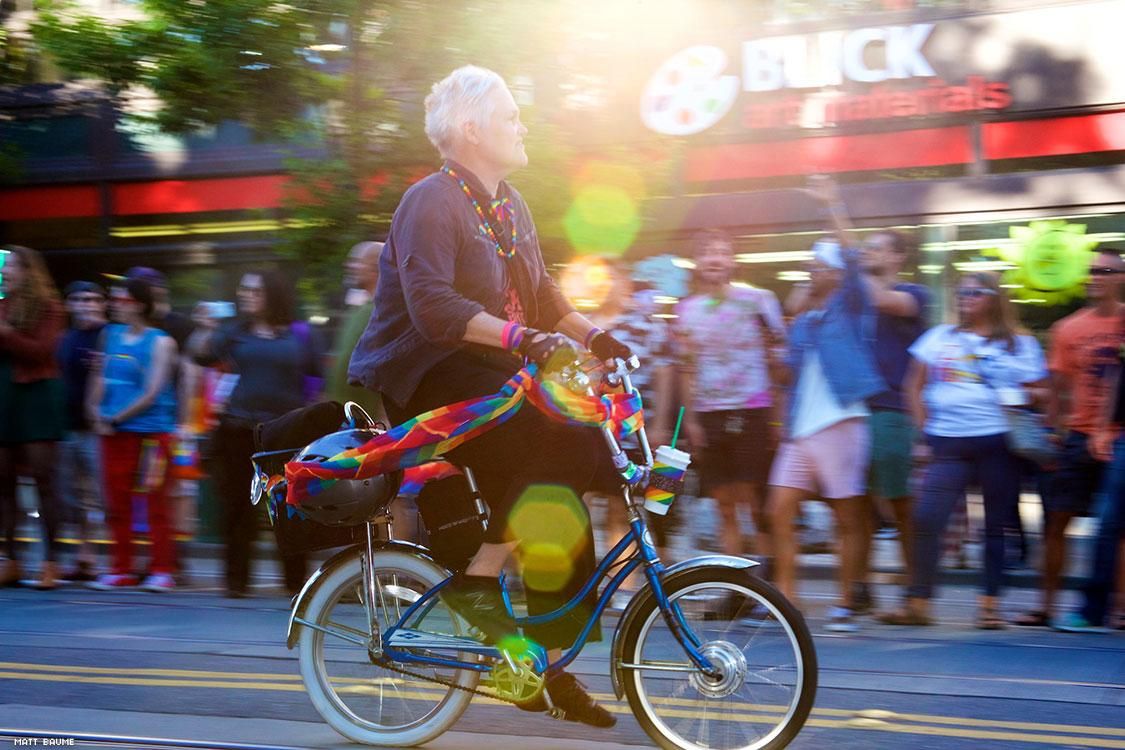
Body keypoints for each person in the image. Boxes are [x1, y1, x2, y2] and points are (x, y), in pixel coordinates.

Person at [348, 66, 633, 728]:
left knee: (563, 490)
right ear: (471, 130)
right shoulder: (430, 200)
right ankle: (478, 582)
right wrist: (526, 340)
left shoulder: (509, 204)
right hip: (428, 373)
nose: (522, 124)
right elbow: (433, 308)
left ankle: (545, 668)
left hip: (491, 370)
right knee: (568, 436)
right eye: (510, 115)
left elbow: (543, 293)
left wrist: (598, 338)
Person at [880, 272, 1048, 628]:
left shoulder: (1019, 342)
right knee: (926, 518)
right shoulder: (940, 337)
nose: (965, 298)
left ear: (994, 298)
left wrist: (1023, 395)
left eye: (974, 292)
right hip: (948, 442)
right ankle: (918, 603)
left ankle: (989, 606)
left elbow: (1042, 392)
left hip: (998, 442)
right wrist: (924, 431)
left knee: (995, 525)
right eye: (961, 293)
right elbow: (913, 384)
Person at [767, 177, 886, 633]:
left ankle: (845, 601)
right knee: (779, 507)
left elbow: (854, 259)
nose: (809, 272)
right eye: (808, 266)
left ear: (836, 275)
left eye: (817, 266)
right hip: (801, 430)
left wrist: (834, 203)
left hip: (842, 423)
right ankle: (787, 598)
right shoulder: (802, 323)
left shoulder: (852, 308)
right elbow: (788, 376)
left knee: (847, 515)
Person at [190, 270, 320, 598]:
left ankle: (296, 583)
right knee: (236, 508)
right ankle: (236, 582)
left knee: (290, 508)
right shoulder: (234, 333)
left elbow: (317, 379)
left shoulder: (300, 334)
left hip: (286, 434)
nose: (245, 295)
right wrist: (204, 330)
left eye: (254, 290)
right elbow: (200, 355)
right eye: (243, 289)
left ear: (272, 294)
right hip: (239, 430)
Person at [1012, 251, 1125, 626]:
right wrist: (1053, 433)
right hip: (1077, 435)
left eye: (1105, 271)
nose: (1095, 276)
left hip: (1120, 436)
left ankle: (1120, 609)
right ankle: (1046, 606)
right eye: (1091, 271)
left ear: (1121, 277)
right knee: (1055, 522)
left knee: (1117, 525)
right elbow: (1057, 389)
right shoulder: (1067, 329)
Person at [673, 229, 784, 570]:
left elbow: (778, 358)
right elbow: (686, 369)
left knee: (756, 502)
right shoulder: (686, 311)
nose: (715, 259)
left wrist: (779, 418)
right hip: (710, 414)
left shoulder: (760, 301)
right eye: (707, 253)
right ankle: (734, 586)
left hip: (753, 411)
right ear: (697, 263)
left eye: (722, 252)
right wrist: (691, 420)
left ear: (733, 261)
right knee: (724, 505)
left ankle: (768, 586)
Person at [854, 230, 931, 612]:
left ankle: (916, 596)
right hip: (856, 411)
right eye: (867, 247)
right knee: (861, 504)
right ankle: (861, 588)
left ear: (899, 256)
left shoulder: (916, 294)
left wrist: (858, 263)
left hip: (893, 411)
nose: (868, 253)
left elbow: (883, 298)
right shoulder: (860, 297)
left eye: (877, 248)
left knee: (900, 505)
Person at [86, 278, 179, 592]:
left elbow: (152, 391)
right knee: (116, 503)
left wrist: (113, 417)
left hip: (152, 434)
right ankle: (120, 567)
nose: (114, 304)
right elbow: (100, 375)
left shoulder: (161, 342)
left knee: (156, 502)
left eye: (121, 299)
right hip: (113, 433)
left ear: (139, 303)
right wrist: (94, 410)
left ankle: (162, 569)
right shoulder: (108, 335)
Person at [588, 262, 672, 606]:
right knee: (588, 505)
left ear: (624, 283)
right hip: (591, 433)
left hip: (636, 432)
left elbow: (666, 372)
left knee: (631, 508)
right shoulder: (582, 324)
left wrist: (660, 424)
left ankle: (637, 585)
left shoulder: (645, 324)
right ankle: (599, 584)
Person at [1055, 271, 1125, 633]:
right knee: (1109, 521)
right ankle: (1094, 608)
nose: (1096, 277)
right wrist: (1101, 427)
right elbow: (1118, 376)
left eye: (1106, 271)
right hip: (1116, 435)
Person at [0, 246, 67, 589]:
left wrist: (7, 333)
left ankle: (50, 562)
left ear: (28, 270)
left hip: (38, 396)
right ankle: (10, 560)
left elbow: (41, 351)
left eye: (10, 265)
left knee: (44, 481)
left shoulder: (50, 307)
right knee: (4, 483)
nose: (5, 271)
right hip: (6, 398)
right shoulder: (3, 305)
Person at [56, 280, 109, 582]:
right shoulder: (64, 338)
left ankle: (118, 563)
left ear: (102, 303)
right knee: (73, 497)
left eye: (92, 299)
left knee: (105, 496)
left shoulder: (110, 336)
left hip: (100, 429)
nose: (86, 304)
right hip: (68, 426)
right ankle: (84, 557)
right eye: (79, 299)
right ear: (69, 304)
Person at [327, 241, 387, 424]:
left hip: (370, 424)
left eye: (356, 261)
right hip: (346, 420)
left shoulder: (385, 312)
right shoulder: (360, 311)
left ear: (374, 267)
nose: (349, 265)